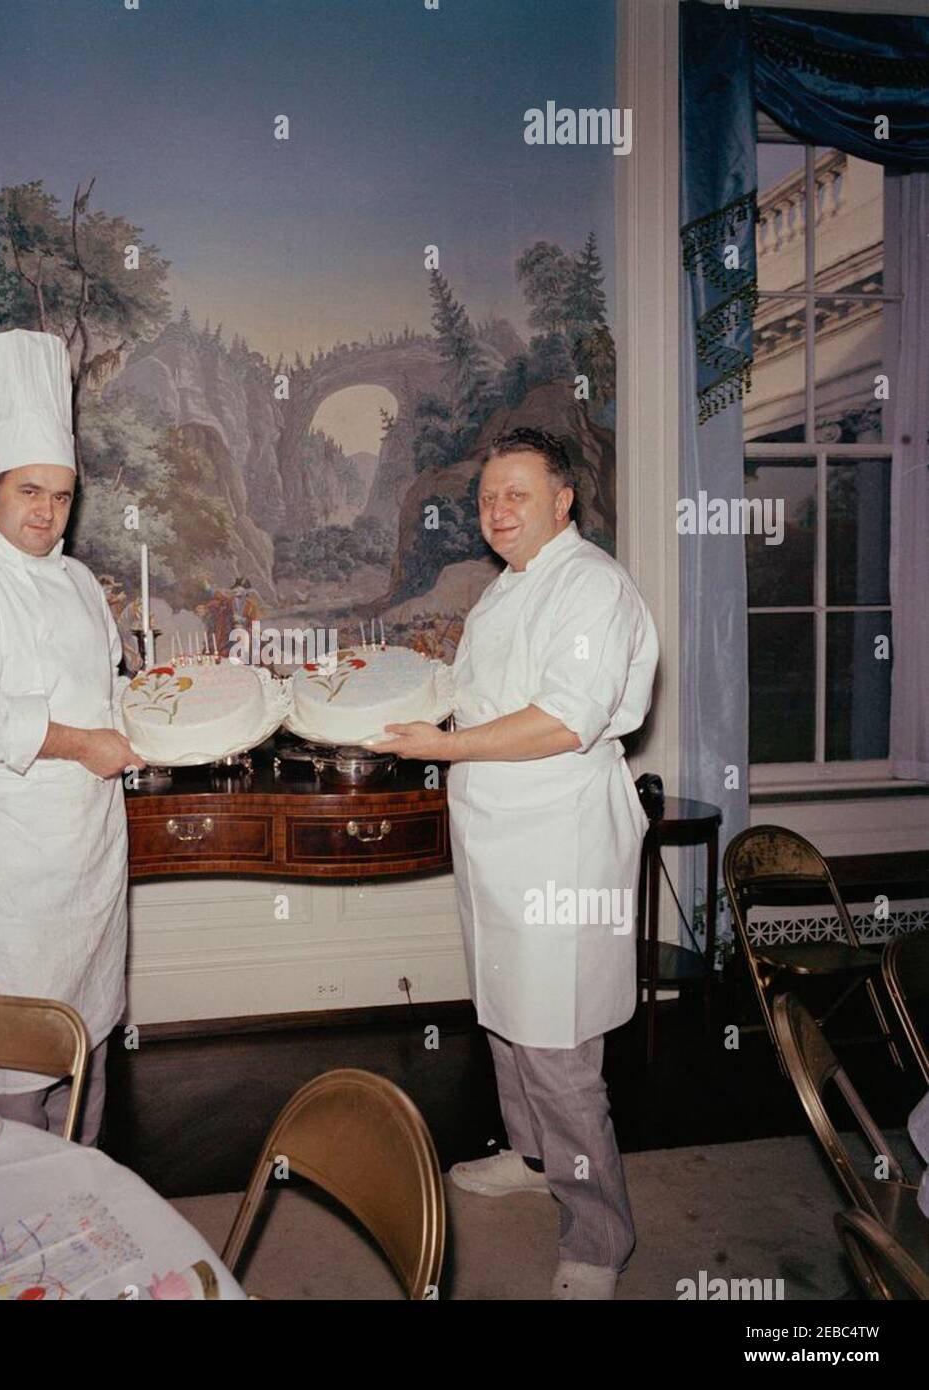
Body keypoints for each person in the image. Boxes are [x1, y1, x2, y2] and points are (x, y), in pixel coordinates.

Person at [376, 426, 658, 1300]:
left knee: (558, 1040)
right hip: (496, 832)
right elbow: (476, 699)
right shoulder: (505, 590)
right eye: (487, 497)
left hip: (558, 837)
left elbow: (562, 721)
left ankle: (597, 1237)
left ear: (562, 499)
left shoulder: (592, 588)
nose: (496, 512)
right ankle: (533, 1158)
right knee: (505, 1015)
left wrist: (444, 749)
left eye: (517, 494)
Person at [0, 328, 142, 1143]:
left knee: (86, 1044)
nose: (46, 513)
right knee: (17, 1059)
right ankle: (7, 1234)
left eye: (61, 496)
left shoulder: (79, 583)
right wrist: (84, 745)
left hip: (86, 848)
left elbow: (111, 689)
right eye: (27, 492)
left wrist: (156, 717)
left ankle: (88, 1209)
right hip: (4, 864)